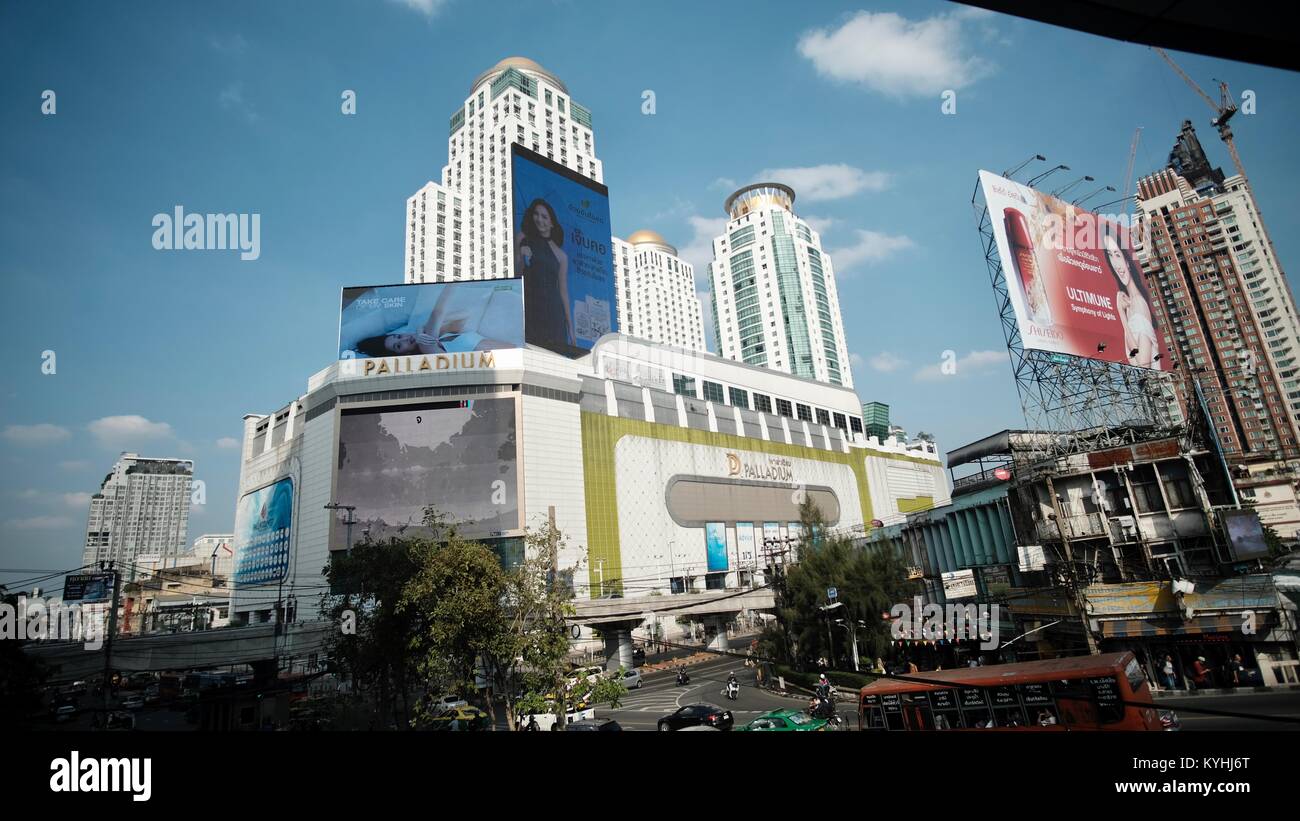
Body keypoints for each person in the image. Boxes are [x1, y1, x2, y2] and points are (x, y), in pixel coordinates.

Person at [515, 198, 573, 348]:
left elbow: (563, 291)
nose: (539, 219)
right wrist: (521, 256)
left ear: (552, 222)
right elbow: (516, 275)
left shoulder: (561, 255)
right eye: (536, 214)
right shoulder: (522, 238)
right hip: (530, 307)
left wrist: (571, 328)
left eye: (544, 216)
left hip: (554, 313)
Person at [1102, 232, 1160, 369]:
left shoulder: (1138, 303)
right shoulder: (1129, 302)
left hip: (1156, 383)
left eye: (1117, 254)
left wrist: (1120, 313)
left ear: (1127, 261)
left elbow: (1143, 363)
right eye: (1110, 255)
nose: (1116, 264)